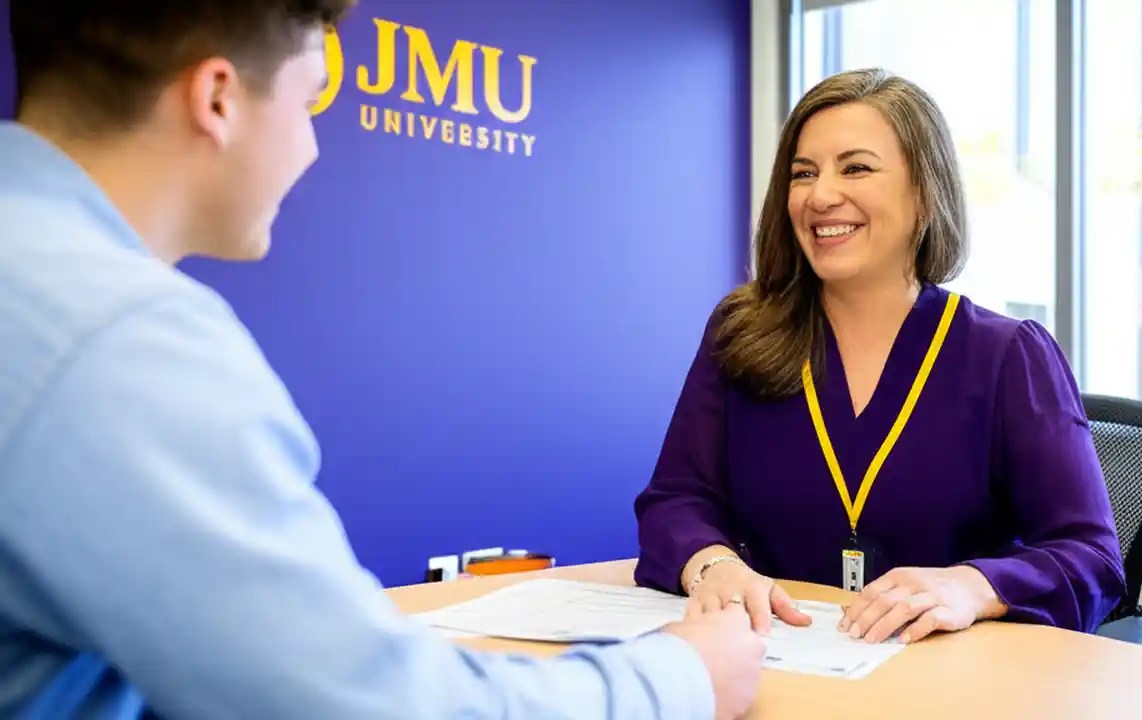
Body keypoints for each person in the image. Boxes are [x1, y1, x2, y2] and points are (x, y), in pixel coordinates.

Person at [0, 3, 764, 718]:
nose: (311, 145)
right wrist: (682, 676)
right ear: (219, 99)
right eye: (310, 103)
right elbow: (364, 704)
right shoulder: (120, 340)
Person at [634, 68, 1125, 646]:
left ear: (925, 190)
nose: (820, 196)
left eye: (856, 167)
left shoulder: (1007, 355)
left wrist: (973, 587)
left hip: (950, 681)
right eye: (803, 173)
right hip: (771, 666)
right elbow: (675, 501)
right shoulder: (740, 332)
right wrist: (714, 564)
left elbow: (1090, 557)